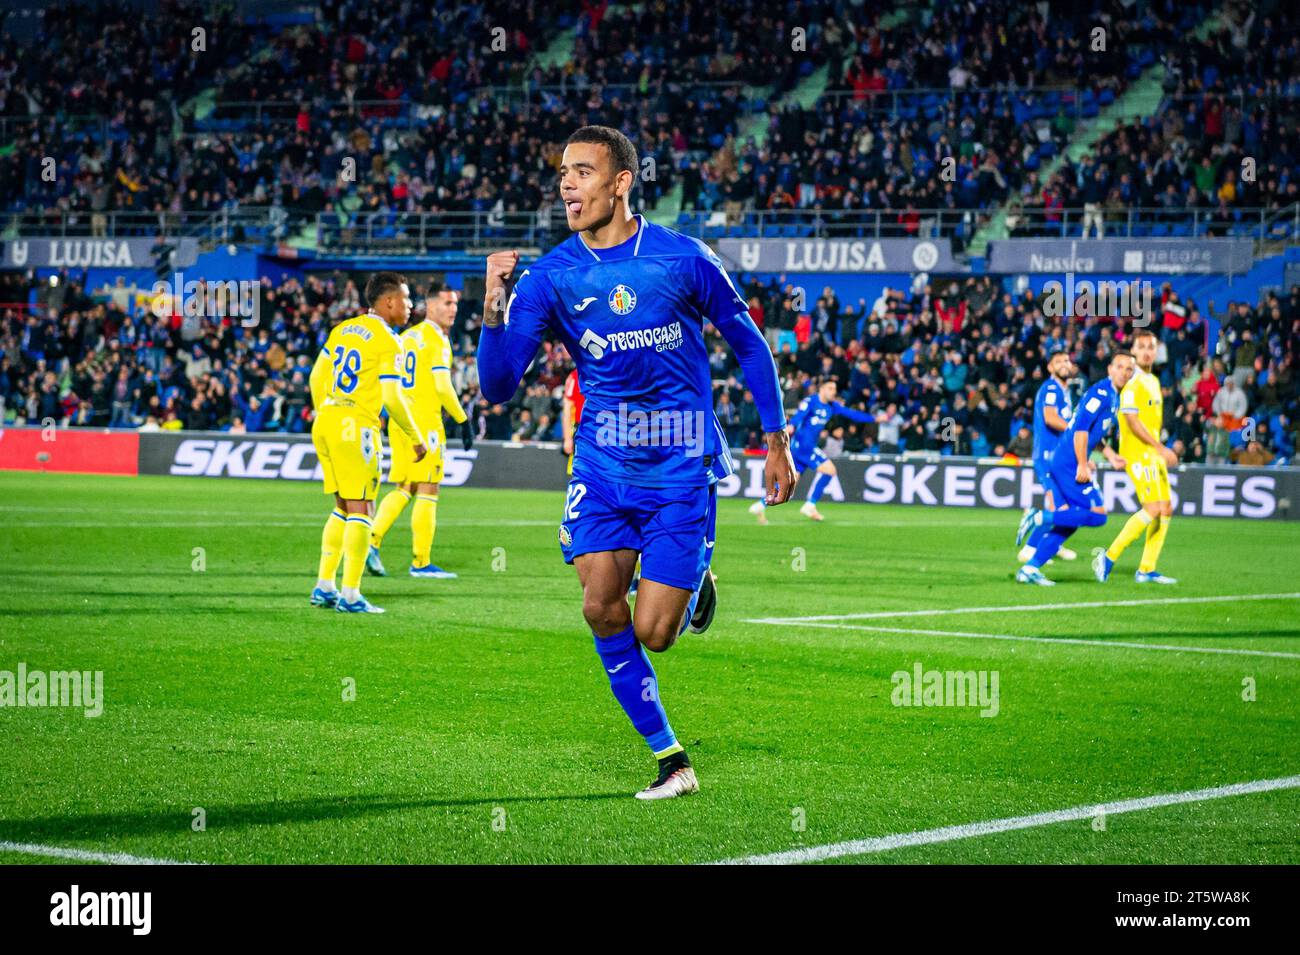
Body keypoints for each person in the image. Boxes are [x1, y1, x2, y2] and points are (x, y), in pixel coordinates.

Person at [476, 125, 796, 799]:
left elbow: (746, 342)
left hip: (679, 459)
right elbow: (500, 384)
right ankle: (672, 759)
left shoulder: (683, 259)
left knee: (656, 631)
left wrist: (776, 439)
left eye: (584, 171)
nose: (568, 183)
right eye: (564, 171)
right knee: (599, 606)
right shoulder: (552, 275)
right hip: (602, 461)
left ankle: (693, 580)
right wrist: (492, 306)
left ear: (621, 182)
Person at [308, 272, 426, 614]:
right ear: (388, 301)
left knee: (342, 507)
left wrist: (326, 412)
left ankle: (324, 586)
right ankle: (351, 595)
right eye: (406, 299)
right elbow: (391, 395)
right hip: (356, 425)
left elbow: (317, 376)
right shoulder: (390, 341)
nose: (410, 306)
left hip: (327, 419)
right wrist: (416, 438)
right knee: (363, 509)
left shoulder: (343, 329)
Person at [367, 283, 474, 579]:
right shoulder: (437, 340)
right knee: (429, 489)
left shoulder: (406, 336)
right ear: (431, 306)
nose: (453, 309)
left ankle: (371, 540)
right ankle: (421, 562)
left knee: (405, 487)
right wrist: (463, 420)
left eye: (455, 304)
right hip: (425, 423)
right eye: (447, 303)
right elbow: (442, 385)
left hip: (401, 421)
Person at [1015, 352, 1135, 585]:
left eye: (1129, 369)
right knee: (1098, 515)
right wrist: (1082, 462)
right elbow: (1079, 428)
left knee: (1069, 520)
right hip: (1067, 461)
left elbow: (1091, 432)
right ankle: (1038, 516)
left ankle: (1030, 568)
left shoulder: (1113, 396)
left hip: (1067, 458)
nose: (1124, 372)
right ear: (1110, 369)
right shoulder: (1101, 393)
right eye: (1119, 367)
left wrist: (1109, 454)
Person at [1094, 329, 1179, 584]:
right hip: (1138, 453)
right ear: (1133, 351)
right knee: (1153, 507)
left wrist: (1158, 448)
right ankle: (1108, 557)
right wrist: (1161, 447)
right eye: (1141, 347)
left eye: (1150, 347)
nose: (1146, 351)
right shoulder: (1133, 382)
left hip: (1152, 452)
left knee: (1165, 508)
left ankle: (1146, 569)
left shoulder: (1153, 381)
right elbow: (1131, 420)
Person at [749, 378, 872, 524]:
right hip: (804, 446)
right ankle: (810, 505)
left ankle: (761, 504)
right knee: (830, 470)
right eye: (830, 388)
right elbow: (800, 415)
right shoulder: (811, 401)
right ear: (822, 389)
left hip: (801, 448)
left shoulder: (832, 406)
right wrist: (792, 425)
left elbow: (851, 414)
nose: (834, 392)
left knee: (788, 484)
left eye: (834, 389)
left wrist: (874, 418)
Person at [1018, 350, 1079, 563]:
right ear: (1050, 368)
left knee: (1066, 506)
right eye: (1058, 362)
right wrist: (1076, 431)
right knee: (1057, 506)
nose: (1064, 364)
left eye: (1066, 360)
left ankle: (1053, 542)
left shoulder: (1064, 391)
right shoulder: (1051, 388)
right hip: (1047, 457)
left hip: (1059, 458)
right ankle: (1030, 548)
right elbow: (1051, 418)